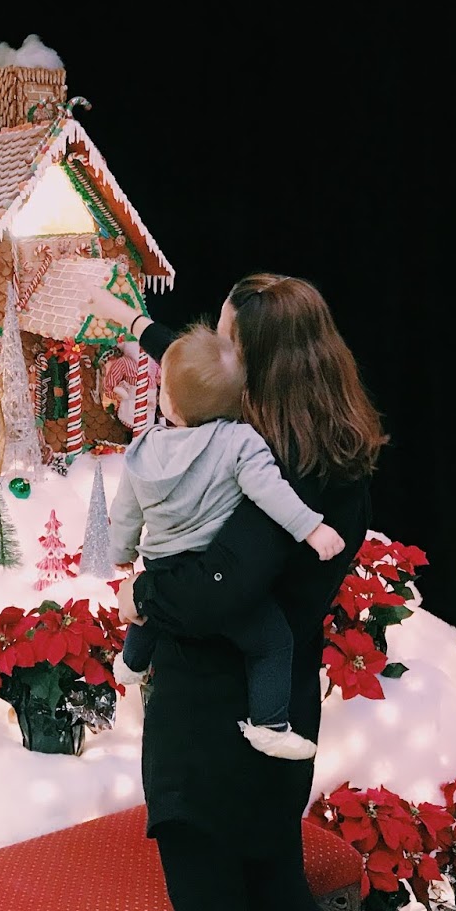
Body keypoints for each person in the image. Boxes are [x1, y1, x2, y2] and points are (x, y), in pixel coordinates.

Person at [87, 275, 385, 911]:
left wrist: (139, 591)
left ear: (253, 365)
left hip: (212, 727)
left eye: (223, 340)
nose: (208, 353)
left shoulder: (272, 464)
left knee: (222, 899)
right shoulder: (322, 438)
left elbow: (212, 591)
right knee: (272, 881)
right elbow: (192, 364)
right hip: (278, 707)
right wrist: (125, 319)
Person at [110, 325, 345, 761]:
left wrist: (122, 557)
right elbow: (271, 491)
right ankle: (269, 725)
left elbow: (126, 513)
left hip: (164, 566)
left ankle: (131, 662)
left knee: (152, 605)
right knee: (273, 640)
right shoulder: (239, 441)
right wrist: (311, 528)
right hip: (214, 576)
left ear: (167, 401)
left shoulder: (142, 450)